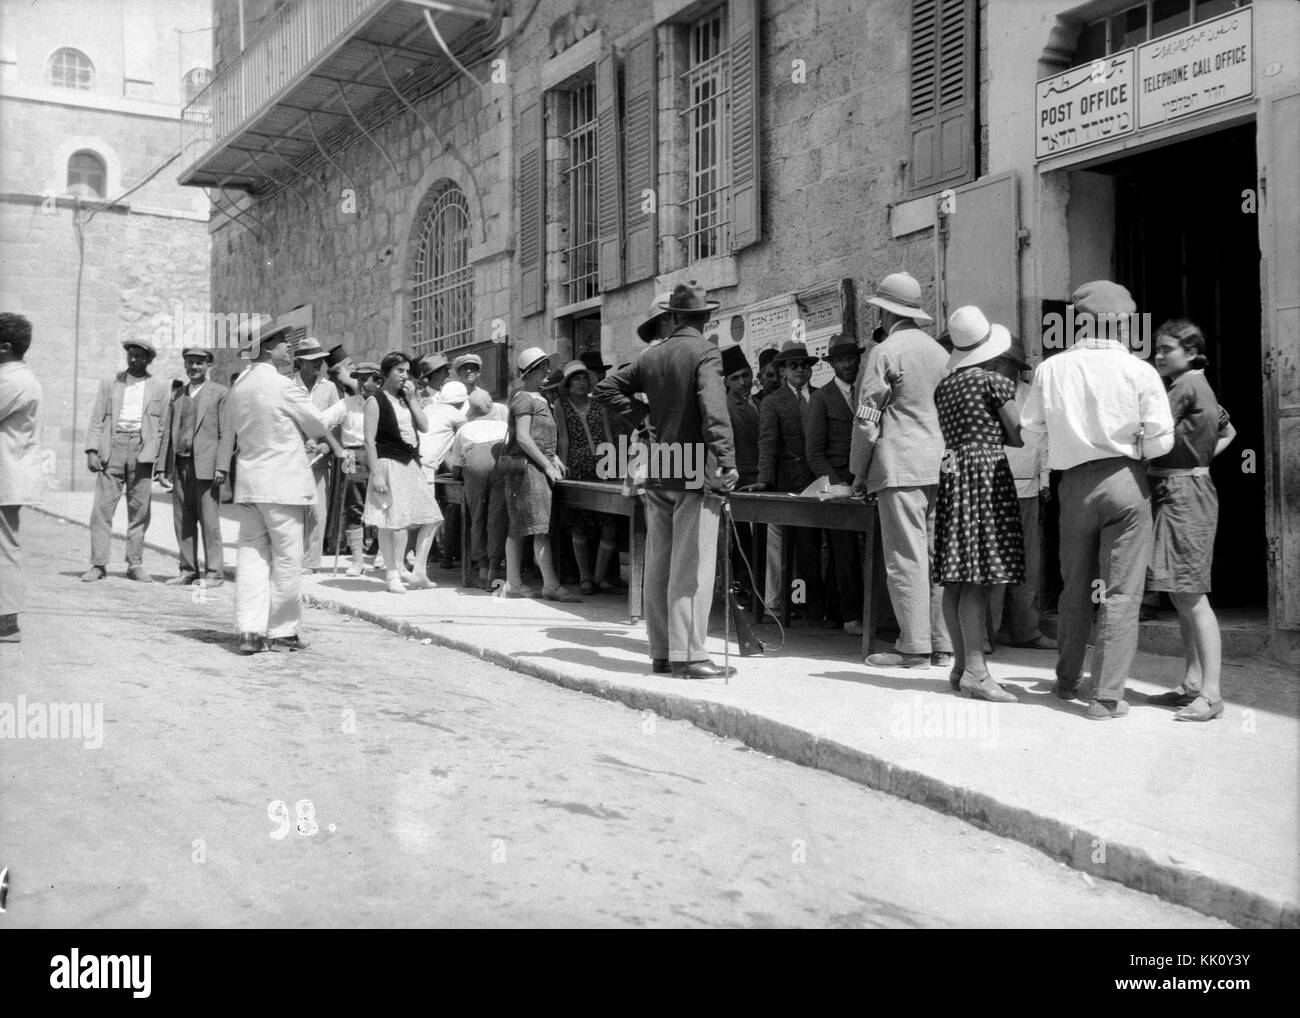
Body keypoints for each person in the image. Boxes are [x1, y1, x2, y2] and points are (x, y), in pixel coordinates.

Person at [1020, 280, 1175, 719]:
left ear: (1080, 321)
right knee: (1122, 593)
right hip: (1126, 481)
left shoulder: (1053, 369)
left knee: (1075, 589)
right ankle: (1106, 696)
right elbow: (1161, 441)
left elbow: (1031, 428)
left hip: (1074, 486)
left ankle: (1067, 680)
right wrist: (1136, 447)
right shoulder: (1140, 371)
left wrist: (1069, 430)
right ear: (1122, 323)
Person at [594, 279, 739, 678]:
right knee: (691, 564)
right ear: (706, 317)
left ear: (672, 316)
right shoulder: (705, 352)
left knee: (660, 559)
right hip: (696, 468)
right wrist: (726, 458)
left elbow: (605, 389)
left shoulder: (651, 357)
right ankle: (689, 654)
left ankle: (661, 651)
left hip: (660, 464)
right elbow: (713, 410)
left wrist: (642, 418)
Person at [850, 271, 952, 669]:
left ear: (884, 313)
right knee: (936, 554)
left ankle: (913, 647)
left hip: (899, 466)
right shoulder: (941, 354)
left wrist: (858, 470)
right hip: (939, 464)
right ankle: (943, 644)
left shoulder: (885, 352)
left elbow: (865, 418)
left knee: (905, 558)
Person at [228, 318, 349, 653]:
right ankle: (282, 630)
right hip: (282, 483)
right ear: (267, 347)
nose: (288, 347)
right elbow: (318, 423)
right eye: (283, 341)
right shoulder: (281, 385)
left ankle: (250, 631)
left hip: (251, 482)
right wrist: (348, 402)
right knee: (286, 557)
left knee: (252, 556)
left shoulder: (240, 383)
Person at [931, 307, 1026, 701]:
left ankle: (959, 665)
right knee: (977, 576)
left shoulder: (946, 386)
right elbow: (1017, 434)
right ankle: (975, 671)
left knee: (957, 576)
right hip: (984, 474)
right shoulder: (994, 383)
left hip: (954, 472)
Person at [1146, 320, 1235, 722]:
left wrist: (1192, 464)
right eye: (1158, 349)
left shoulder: (1184, 387)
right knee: (1182, 595)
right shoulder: (1196, 384)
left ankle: (1212, 694)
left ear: (1192, 353)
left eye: (1168, 350)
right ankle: (1193, 683)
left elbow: (1148, 430)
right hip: (1183, 488)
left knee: (1192, 595)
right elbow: (1229, 430)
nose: (1160, 355)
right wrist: (1199, 458)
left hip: (1183, 495)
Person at [985, 337, 1055, 650]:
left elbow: (1043, 440)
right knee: (995, 563)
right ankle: (987, 633)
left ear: (1015, 367)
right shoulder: (982, 394)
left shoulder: (1031, 397)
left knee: (1027, 562)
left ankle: (1027, 631)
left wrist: (1045, 478)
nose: (994, 368)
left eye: (1001, 362)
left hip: (1026, 488)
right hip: (992, 488)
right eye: (992, 362)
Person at [82, 337, 171, 583]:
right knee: (101, 509)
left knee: (140, 511)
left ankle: (135, 564)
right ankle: (98, 564)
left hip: (142, 453)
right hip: (113, 448)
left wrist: (160, 464)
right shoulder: (110, 383)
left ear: (148, 360)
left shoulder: (160, 388)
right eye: (131, 355)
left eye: (140, 356)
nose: (134, 360)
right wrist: (91, 450)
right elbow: (97, 418)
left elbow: (163, 429)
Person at [499, 347, 581, 602]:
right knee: (537, 528)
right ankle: (550, 586)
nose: (547, 371)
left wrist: (553, 457)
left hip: (534, 467)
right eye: (543, 367)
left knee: (526, 526)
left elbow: (539, 436)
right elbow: (523, 437)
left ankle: (516, 583)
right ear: (531, 371)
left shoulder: (539, 398)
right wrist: (547, 465)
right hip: (528, 470)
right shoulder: (525, 398)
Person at [363, 352, 442, 594]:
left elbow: (424, 426)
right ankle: (392, 573)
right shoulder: (376, 400)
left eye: (407, 371)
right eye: (399, 371)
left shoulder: (405, 398)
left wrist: (413, 399)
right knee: (392, 522)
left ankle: (418, 570)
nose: (404, 376)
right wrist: (376, 474)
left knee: (432, 517)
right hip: (388, 463)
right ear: (386, 373)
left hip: (409, 463)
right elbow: (369, 440)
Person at [155, 346, 232, 587]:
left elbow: (226, 433)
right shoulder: (178, 395)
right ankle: (187, 569)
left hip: (207, 468)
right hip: (181, 465)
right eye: (190, 363)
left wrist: (222, 466)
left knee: (209, 521)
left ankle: (214, 572)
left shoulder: (220, 393)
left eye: (199, 363)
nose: (194, 367)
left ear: (209, 365)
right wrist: (161, 467)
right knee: (183, 520)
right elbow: (168, 432)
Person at [807, 334, 866, 635]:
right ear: (832, 365)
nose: (847, 365)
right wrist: (838, 484)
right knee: (845, 554)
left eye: (851, 359)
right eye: (841, 360)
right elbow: (814, 452)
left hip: (866, 484)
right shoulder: (822, 398)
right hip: (838, 487)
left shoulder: (866, 394)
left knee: (870, 552)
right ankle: (850, 616)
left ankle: (872, 613)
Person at [555, 359, 621, 595]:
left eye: (584, 379)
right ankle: (585, 577)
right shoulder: (561, 405)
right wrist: (563, 466)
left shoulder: (599, 404)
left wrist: (612, 462)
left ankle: (599, 576)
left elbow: (607, 434)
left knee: (609, 524)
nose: (581, 383)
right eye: (576, 379)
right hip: (577, 466)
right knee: (579, 525)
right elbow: (563, 437)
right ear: (569, 383)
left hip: (602, 465)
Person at [0, 313, 42, 643]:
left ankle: (8, 621)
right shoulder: (11, 376)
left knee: (5, 547)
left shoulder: (14, 381)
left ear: (6, 347)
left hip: (5, 476)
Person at [319, 361, 379, 575]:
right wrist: (337, 449)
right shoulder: (347, 403)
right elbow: (320, 422)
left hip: (379, 455)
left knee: (381, 503)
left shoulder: (384, 403)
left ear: (378, 379)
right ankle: (357, 560)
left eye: (368, 378)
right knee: (352, 506)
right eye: (360, 379)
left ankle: (382, 555)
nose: (363, 383)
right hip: (351, 455)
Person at [448, 389, 509, 589]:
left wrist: (463, 473)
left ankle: (481, 570)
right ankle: (494, 570)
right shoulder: (504, 426)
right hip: (499, 464)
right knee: (497, 517)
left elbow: (456, 468)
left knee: (477, 517)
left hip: (474, 467)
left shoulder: (465, 430)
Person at [291, 336, 338, 574]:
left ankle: (311, 562)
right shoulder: (288, 386)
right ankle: (291, 560)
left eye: (320, 360)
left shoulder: (328, 388)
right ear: (300, 362)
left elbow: (336, 422)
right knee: (294, 512)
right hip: (292, 459)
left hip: (320, 460)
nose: (318, 364)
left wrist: (327, 446)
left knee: (318, 513)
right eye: (312, 360)